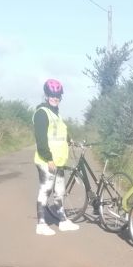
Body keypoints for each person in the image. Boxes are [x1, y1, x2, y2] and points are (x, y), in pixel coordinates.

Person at [33, 78, 79, 236]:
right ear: (46, 95)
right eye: (52, 95)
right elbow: (41, 140)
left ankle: (63, 221)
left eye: (57, 95)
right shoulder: (42, 113)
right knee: (45, 190)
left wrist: (70, 140)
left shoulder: (56, 114)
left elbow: (60, 132)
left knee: (60, 191)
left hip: (58, 161)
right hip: (47, 161)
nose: (55, 98)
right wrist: (49, 159)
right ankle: (41, 224)